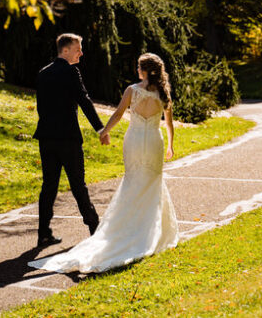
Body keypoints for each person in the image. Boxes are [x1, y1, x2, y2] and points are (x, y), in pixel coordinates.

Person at [29, 52, 178, 274]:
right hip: (155, 141)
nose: (137, 71)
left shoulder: (132, 90)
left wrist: (104, 131)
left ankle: (127, 230)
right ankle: (149, 233)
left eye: (139, 67)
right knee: (152, 183)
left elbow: (118, 114)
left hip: (135, 141)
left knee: (132, 182)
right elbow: (169, 124)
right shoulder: (163, 93)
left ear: (143, 69)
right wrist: (170, 146)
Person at [34, 33, 109, 249]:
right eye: (78, 49)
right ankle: (95, 228)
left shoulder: (43, 73)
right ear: (65, 50)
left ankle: (43, 233)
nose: (81, 53)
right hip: (67, 138)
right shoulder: (70, 71)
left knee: (49, 185)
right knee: (78, 185)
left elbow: (41, 108)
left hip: (46, 138)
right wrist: (101, 129)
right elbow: (84, 101)